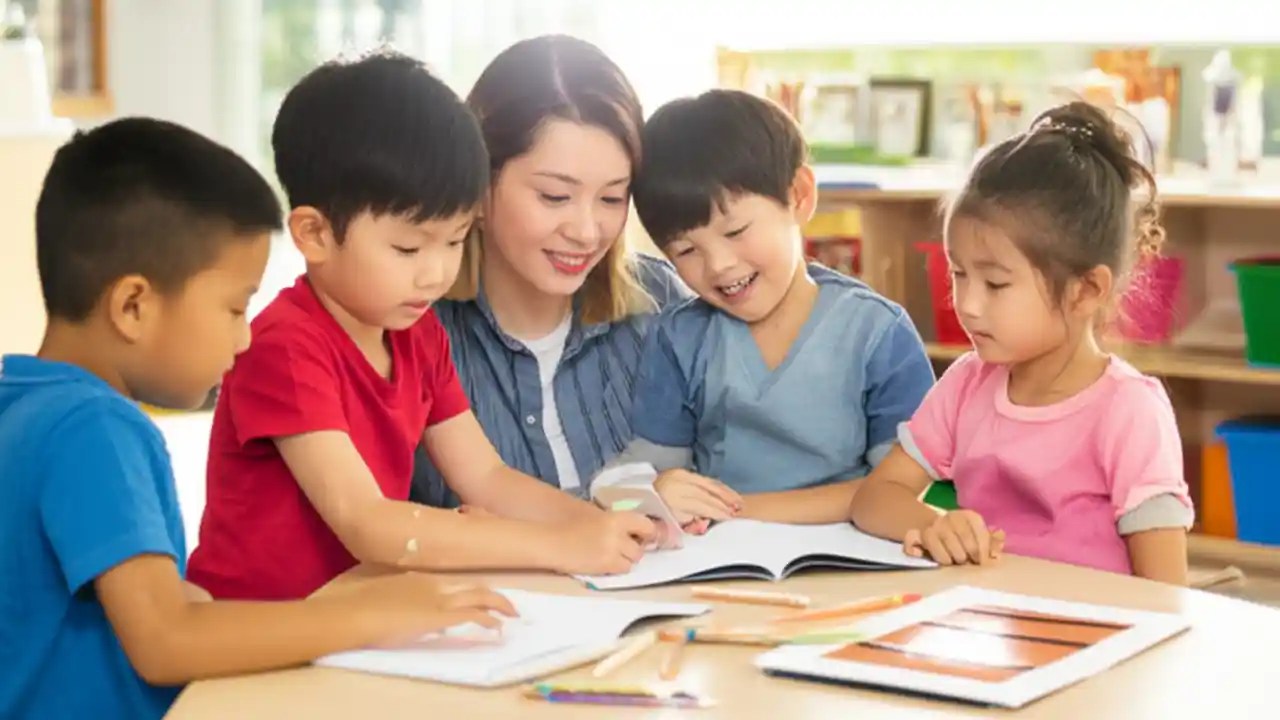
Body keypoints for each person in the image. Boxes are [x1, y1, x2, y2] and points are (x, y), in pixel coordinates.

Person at [0, 117, 516, 720]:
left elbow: (125, 606)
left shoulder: (26, 404)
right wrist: (372, 614)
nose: (244, 338)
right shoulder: (96, 429)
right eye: (234, 308)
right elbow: (165, 639)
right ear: (133, 306)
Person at [187, 49, 657, 602]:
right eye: (408, 248)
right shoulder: (286, 347)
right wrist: (558, 546)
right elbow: (367, 522)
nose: (436, 273)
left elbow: (486, 478)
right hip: (267, 629)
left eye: (455, 240)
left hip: (360, 618)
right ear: (314, 235)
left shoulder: (417, 333)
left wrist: (594, 526)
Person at [849, 102, 1193, 584]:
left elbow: (1167, 594)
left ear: (1086, 291)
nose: (967, 304)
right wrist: (934, 524)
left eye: (995, 284)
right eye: (958, 274)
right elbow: (874, 498)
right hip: (982, 617)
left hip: (1088, 626)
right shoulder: (967, 384)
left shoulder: (1130, 411)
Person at [612, 89, 935, 528]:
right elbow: (634, 484)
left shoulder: (877, 333)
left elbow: (901, 490)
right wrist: (650, 493)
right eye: (686, 250)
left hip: (850, 551)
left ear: (799, 195)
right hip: (722, 555)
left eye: (736, 231)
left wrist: (741, 511)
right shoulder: (679, 339)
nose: (719, 265)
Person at [408, 35, 690, 509]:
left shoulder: (663, 303)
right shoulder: (410, 327)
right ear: (479, 184)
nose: (586, 232)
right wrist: (623, 505)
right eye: (555, 196)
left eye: (612, 198)